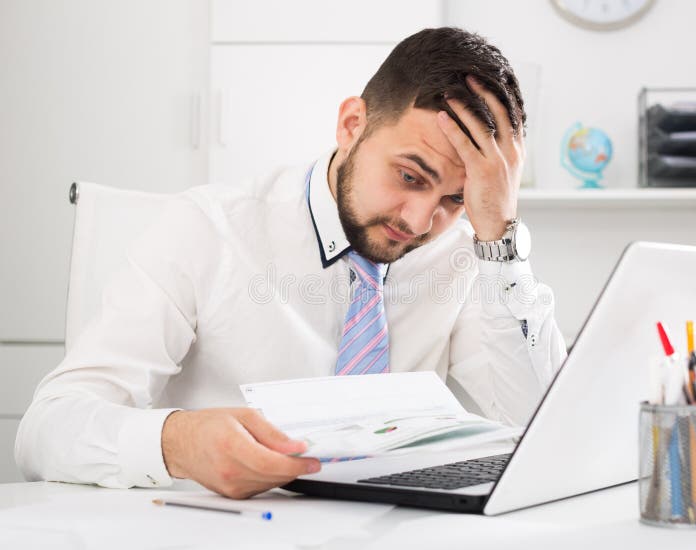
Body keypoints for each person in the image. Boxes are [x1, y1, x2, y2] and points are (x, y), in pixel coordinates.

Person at [16, 27, 567, 499]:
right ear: (352, 125)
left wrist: (499, 236)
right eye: (409, 176)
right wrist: (177, 443)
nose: (421, 222)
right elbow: (45, 430)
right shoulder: (207, 230)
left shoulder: (469, 257)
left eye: (456, 199)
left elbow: (546, 429)